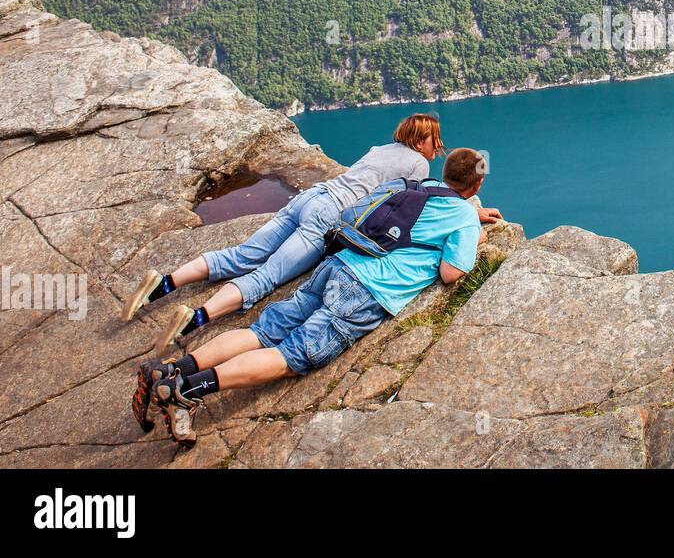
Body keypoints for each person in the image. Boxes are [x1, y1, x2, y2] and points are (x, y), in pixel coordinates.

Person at [133, 147, 491, 447]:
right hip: (365, 292)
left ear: (446, 174)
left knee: (262, 332)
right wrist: (473, 238)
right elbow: (451, 273)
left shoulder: (419, 186)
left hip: (337, 264)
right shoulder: (463, 217)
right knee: (290, 357)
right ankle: (185, 389)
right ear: (476, 184)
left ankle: (171, 370)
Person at [123, 113, 468, 352]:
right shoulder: (418, 163)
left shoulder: (380, 149)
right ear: (420, 139)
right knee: (266, 277)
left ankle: (164, 283)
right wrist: (468, 212)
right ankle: (196, 318)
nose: (438, 146)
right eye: (434, 140)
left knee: (243, 255)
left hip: (313, 196)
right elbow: (413, 202)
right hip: (327, 216)